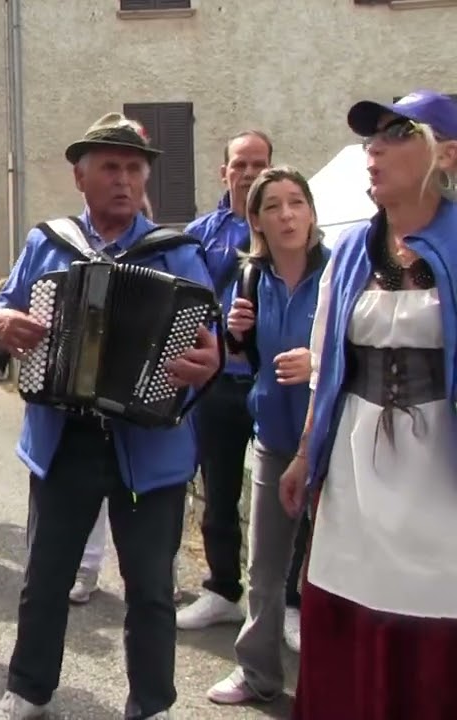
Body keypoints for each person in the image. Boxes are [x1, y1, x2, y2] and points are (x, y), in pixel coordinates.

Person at [0, 113, 221, 720]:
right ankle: (28, 691)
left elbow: (208, 340)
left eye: (134, 169)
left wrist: (209, 361)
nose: (124, 179)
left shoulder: (176, 252)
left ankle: (152, 704)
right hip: (65, 438)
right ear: (80, 177)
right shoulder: (49, 242)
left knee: (151, 588)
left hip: (151, 445)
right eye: (110, 167)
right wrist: (0, 323)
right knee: (46, 575)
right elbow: (2, 308)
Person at [284, 90, 457, 720]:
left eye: (396, 134)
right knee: (349, 597)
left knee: (436, 608)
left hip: (440, 468)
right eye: (371, 138)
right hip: (356, 461)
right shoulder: (354, 249)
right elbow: (326, 360)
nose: (374, 150)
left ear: (446, 155)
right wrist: (306, 453)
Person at [204, 167, 327, 705]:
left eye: (296, 202)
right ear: (256, 220)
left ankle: (331, 683)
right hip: (274, 438)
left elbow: (360, 353)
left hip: (332, 443)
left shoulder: (338, 272)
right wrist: (233, 332)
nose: (287, 215)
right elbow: (237, 354)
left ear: (312, 212)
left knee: (333, 575)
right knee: (264, 569)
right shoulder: (251, 276)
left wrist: (316, 364)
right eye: (273, 206)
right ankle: (258, 674)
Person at [175, 130, 273, 631]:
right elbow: (186, 303)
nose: (249, 173)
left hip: (274, 379)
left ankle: (285, 601)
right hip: (217, 383)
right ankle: (222, 590)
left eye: (259, 163)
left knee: (282, 495)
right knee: (218, 491)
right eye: (240, 164)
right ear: (224, 172)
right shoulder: (200, 234)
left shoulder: (289, 223)